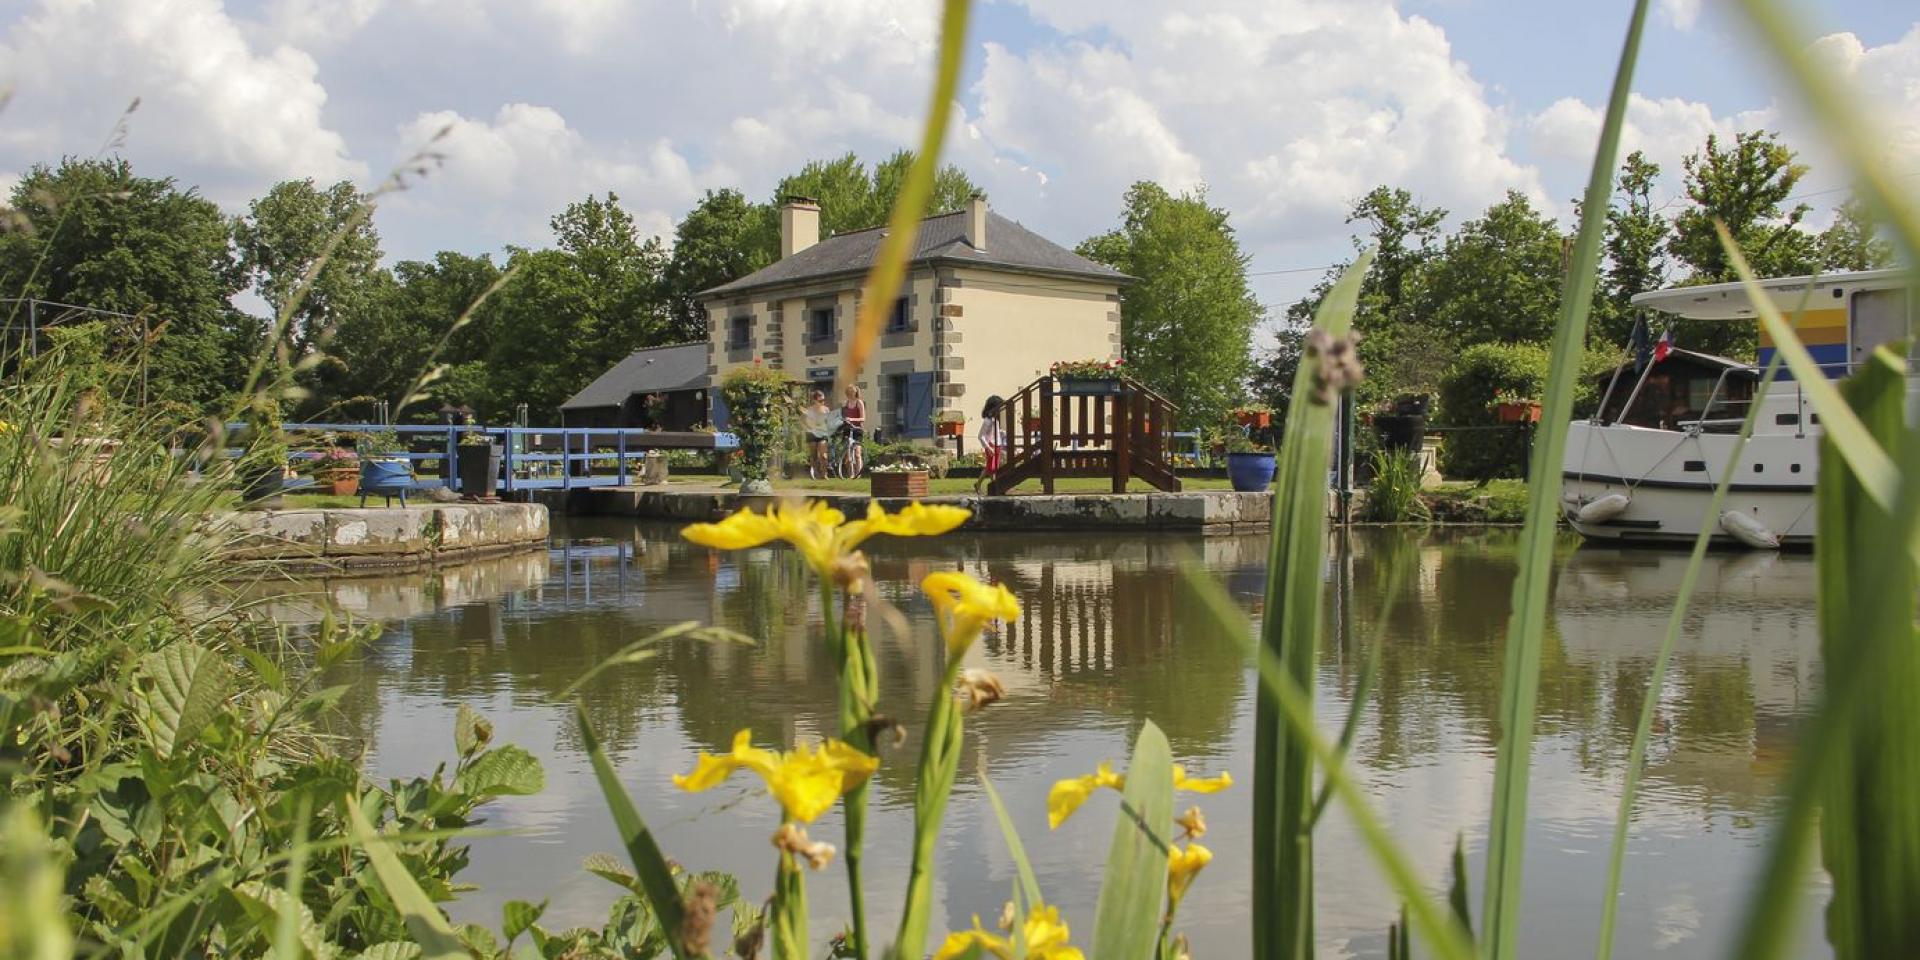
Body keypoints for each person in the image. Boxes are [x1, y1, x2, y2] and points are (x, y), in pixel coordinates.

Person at [976, 394, 1006, 495]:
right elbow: (981, 436)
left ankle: (980, 484)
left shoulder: (995, 420)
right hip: (991, 445)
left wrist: (1001, 433)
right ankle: (995, 486)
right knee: (992, 468)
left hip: (997, 444)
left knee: (993, 467)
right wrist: (988, 447)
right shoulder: (987, 421)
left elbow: (995, 432)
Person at [803, 390, 834, 478]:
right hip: (812, 433)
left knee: (823, 456)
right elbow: (805, 422)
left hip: (822, 433)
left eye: (824, 400)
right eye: (820, 401)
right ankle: (815, 472)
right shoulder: (810, 410)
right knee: (813, 455)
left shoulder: (826, 409)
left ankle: (824, 474)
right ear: (815, 401)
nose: (823, 402)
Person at [840, 385, 867, 476]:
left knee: (857, 454)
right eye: (849, 392)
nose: (850, 393)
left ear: (856, 392)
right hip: (847, 430)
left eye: (852, 391)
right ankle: (851, 474)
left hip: (857, 430)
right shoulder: (845, 403)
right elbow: (843, 416)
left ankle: (858, 474)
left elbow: (863, 418)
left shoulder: (859, 402)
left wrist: (851, 419)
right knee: (848, 455)